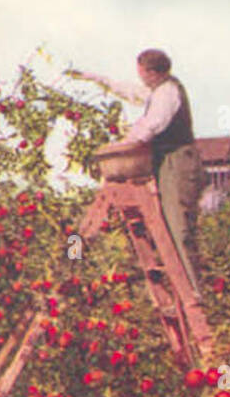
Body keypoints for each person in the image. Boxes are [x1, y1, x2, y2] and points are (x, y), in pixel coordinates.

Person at [70, 49, 206, 299]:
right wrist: (96, 79)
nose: (139, 77)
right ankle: (71, 257)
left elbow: (151, 125)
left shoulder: (167, 93)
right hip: (166, 160)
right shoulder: (159, 89)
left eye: (141, 71)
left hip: (178, 161)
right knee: (161, 225)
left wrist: (123, 146)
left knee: (177, 227)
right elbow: (131, 91)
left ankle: (191, 294)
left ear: (151, 72)